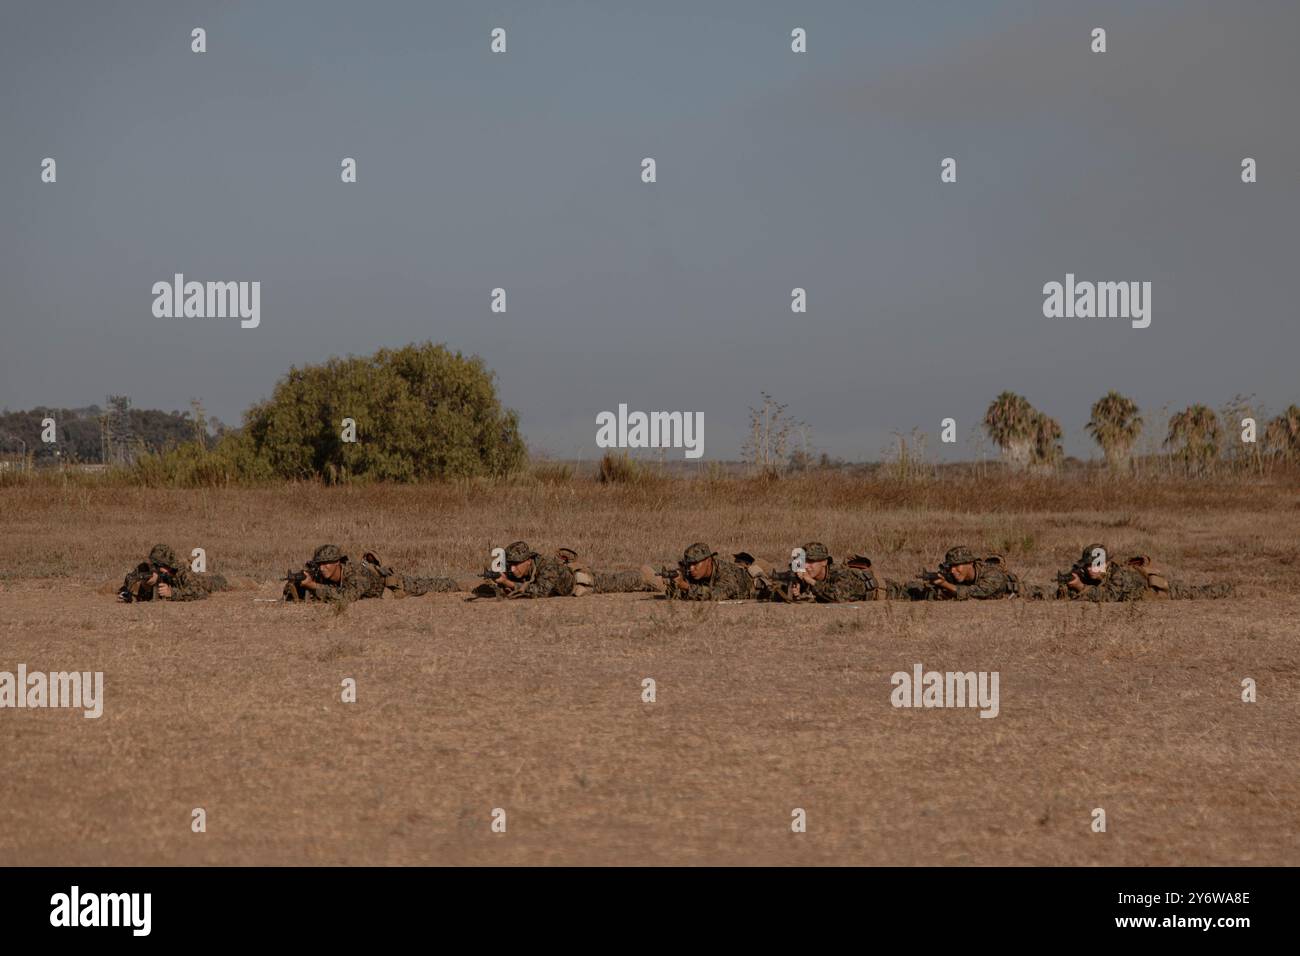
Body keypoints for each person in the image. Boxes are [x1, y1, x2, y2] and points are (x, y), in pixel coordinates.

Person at [116, 544, 229, 602]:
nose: (156, 570)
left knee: (222, 582)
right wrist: (143, 588)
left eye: (160, 566)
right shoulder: (156, 572)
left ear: (169, 565)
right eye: (154, 566)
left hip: (214, 583)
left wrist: (172, 593)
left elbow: (201, 592)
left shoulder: (182, 573)